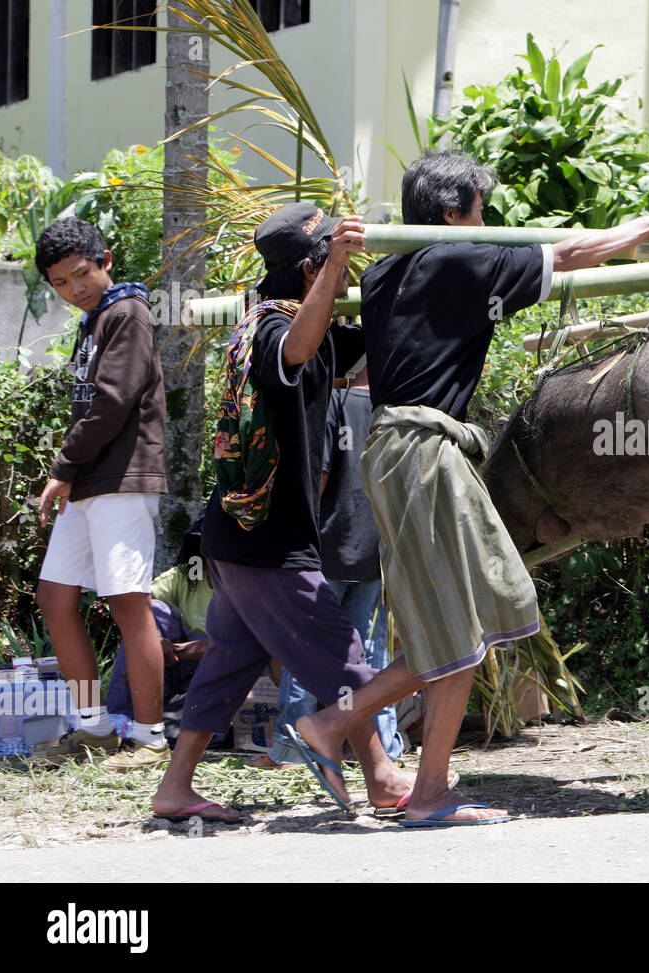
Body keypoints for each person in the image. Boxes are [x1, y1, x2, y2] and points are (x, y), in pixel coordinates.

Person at [288, 149, 649, 827]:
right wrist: (645, 226)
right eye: (481, 210)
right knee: (467, 622)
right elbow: (568, 253)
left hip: (400, 451)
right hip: (425, 452)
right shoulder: (457, 259)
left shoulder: (389, 271)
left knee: (460, 624)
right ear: (454, 214)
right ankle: (355, 733)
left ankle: (393, 762)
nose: (489, 223)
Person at [150, 203, 411, 823]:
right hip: (267, 542)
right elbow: (297, 347)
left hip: (237, 538)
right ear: (312, 268)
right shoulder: (270, 328)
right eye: (334, 261)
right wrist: (338, 263)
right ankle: (381, 777)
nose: (346, 274)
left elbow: (372, 339)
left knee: (227, 663)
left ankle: (175, 788)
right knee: (345, 657)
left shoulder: (304, 324)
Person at [31, 217, 169, 770]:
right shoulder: (94, 321)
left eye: (82, 274)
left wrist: (62, 467)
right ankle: (92, 728)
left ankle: (151, 736)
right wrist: (71, 471)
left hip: (122, 480)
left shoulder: (128, 312)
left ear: (105, 260)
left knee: (126, 602)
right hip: (89, 481)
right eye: (61, 283)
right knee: (55, 597)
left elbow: (112, 402)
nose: (75, 288)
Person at [262, 360, 404, 768]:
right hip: (377, 551)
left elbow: (319, 476)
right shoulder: (395, 413)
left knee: (306, 650)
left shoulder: (336, 403)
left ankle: (291, 748)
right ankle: (384, 750)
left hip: (329, 547)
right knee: (370, 655)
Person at [106, 514, 227, 748]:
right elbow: (136, 607)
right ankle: (119, 719)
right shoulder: (190, 574)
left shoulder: (246, 581)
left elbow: (243, 642)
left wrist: (171, 650)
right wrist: (151, 641)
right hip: (175, 663)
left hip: (221, 664)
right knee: (149, 614)